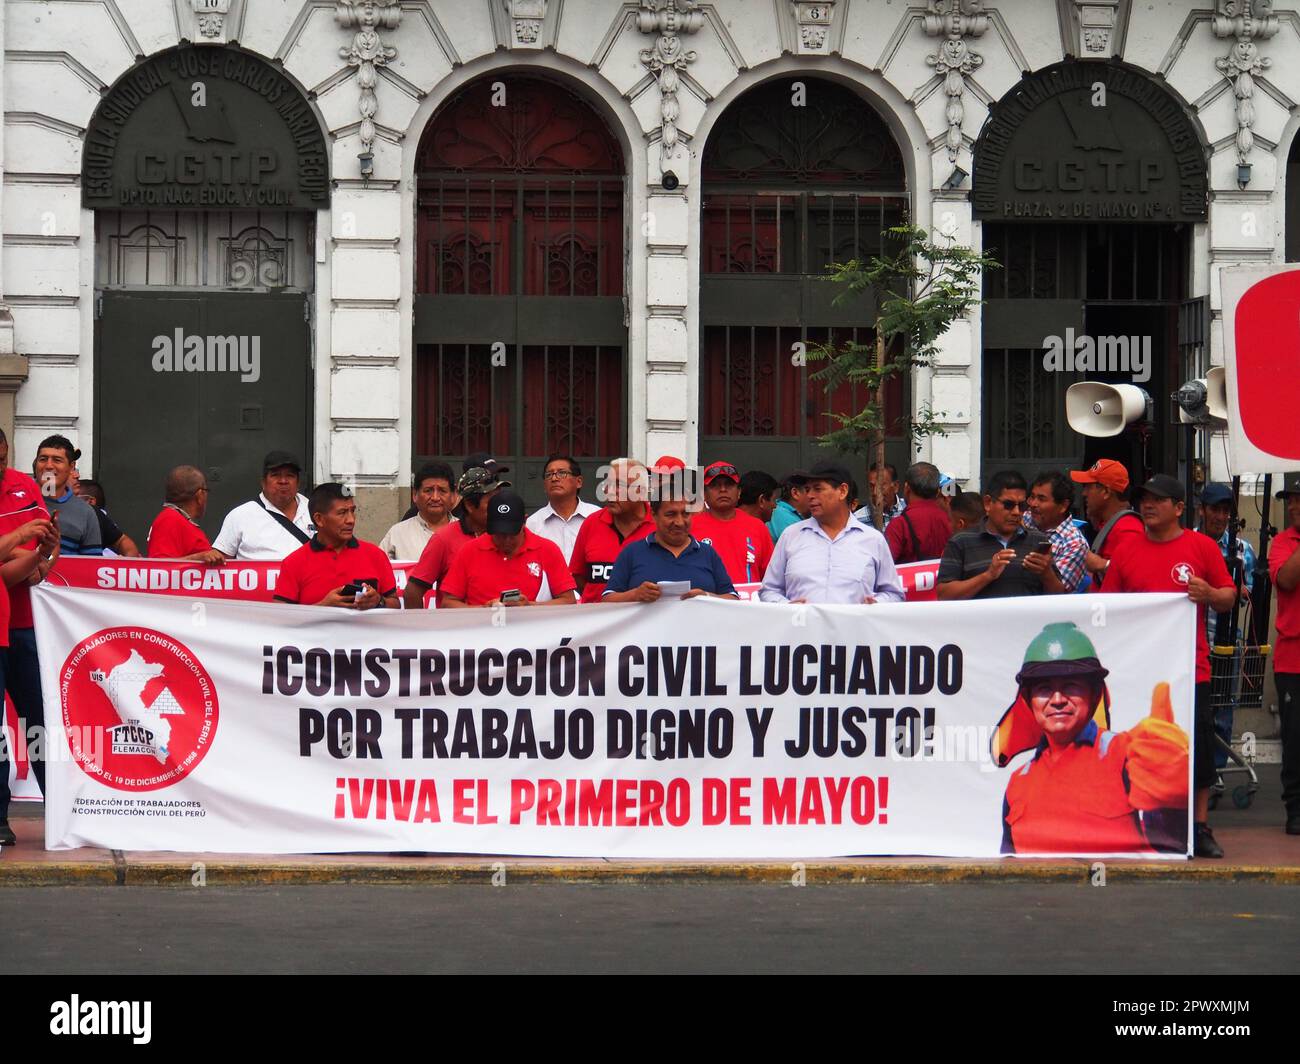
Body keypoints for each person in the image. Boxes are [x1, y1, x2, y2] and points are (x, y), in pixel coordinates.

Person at [1104, 474, 1237, 859]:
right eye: (1144, 499)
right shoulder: (1127, 550)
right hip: (1139, 673)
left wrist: (1210, 594)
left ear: (1179, 508)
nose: (1148, 505)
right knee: (1138, 748)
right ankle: (1137, 823)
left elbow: (1228, 596)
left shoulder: (1202, 547)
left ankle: (1200, 826)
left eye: (1158, 500)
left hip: (1189, 670)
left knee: (1194, 748)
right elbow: (1109, 607)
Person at [993, 623, 1189, 855]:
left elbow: (1169, 842)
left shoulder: (1128, 755)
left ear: (1095, 695)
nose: (1057, 699)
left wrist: (1172, 799)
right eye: (1044, 688)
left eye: (1071, 686)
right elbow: (1008, 867)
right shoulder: (1017, 783)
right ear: (1029, 701)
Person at [0, 433, 58, 846]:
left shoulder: (25, 485)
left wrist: (43, 558)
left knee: (39, 718)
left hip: (23, 623)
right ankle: (1, 817)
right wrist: (21, 543)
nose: (0, 467)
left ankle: (61, 806)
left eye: (3, 458)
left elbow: (40, 565)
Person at [759, 462, 905, 605]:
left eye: (818, 489)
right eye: (808, 489)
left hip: (853, 628)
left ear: (842, 491)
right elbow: (769, 590)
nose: (810, 495)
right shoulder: (790, 536)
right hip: (802, 627)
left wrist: (875, 604)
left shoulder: (873, 540)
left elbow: (893, 594)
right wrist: (787, 607)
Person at [937, 471, 1064, 600]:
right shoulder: (961, 542)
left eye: (1021, 506)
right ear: (987, 503)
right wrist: (988, 576)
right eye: (1008, 505)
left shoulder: (1038, 541)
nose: (1016, 512)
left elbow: (1060, 598)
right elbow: (944, 595)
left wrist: (1047, 573)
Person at [440, 490, 576, 608]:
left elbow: (569, 601)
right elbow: (448, 603)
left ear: (524, 521)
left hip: (533, 634)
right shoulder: (469, 551)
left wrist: (530, 607)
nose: (506, 540)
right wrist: (484, 610)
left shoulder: (547, 550)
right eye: (499, 534)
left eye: (512, 533)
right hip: (482, 633)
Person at [403, 459, 510, 609]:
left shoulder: (507, 534)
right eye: (492, 502)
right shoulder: (444, 539)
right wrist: (420, 629)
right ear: (470, 506)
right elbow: (412, 593)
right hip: (459, 629)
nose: (500, 507)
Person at [274, 483, 397, 609]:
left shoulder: (375, 555)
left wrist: (379, 601)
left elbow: (395, 605)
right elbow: (281, 618)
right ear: (319, 519)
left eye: (352, 511)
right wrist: (323, 607)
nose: (351, 520)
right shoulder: (294, 563)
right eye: (342, 513)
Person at [603, 496, 738, 602]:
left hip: (700, 636)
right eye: (670, 514)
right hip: (647, 637)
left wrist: (706, 597)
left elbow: (733, 599)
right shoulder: (632, 552)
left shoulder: (707, 553)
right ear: (654, 515)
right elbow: (607, 600)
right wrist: (635, 595)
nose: (679, 522)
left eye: (685, 514)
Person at [569, 458, 655, 603]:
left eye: (618, 485)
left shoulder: (659, 527)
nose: (609, 491)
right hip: (597, 620)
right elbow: (577, 576)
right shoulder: (592, 523)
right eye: (607, 485)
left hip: (643, 622)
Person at [1268, 473, 1300, 835]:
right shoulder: (1283, 543)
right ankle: (1296, 807)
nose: (1292, 506)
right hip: (1293, 658)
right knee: (1295, 738)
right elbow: (1288, 580)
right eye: (1289, 499)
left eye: (1297, 499)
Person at [212, 451, 313, 561]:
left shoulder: (316, 511)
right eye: (275, 475)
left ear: (298, 483)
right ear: (263, 482)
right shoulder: (240, 515)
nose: (283, 481)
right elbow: (220, 560)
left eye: (290, 475)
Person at [690, 460, 773, 586]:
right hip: (706, 603)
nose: (723, 489)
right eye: (715, 485)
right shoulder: (690, 527)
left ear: (739, 492)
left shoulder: (758, 527)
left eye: (729, 484)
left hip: (748, 604)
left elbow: (771, 577)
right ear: (704, 494)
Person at [1071, 459, 1143, 591]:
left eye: (1088, 487)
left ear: (1106, 492)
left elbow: (1139, 577)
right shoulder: (1113, 525)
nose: (1084, 493)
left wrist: (1102, 565)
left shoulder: (1128, 529)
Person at [33, 435, 101, 556]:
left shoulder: (86, 513)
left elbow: (90, 565)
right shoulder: (18, 499)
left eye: (57, 460)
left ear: (71, 467)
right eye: (43, 459)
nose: (49, 465)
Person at [524, 455, 600, 564]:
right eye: (549, 475)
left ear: (579, 482)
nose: (554, 478)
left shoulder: (596, 517)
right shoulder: (533, 524)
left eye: (562, 473)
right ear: (544, 486)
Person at [1024, 471, 1089, 593]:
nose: (1033, 504)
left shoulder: (1074, 543)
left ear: (1063, 506)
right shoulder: (1025, 518)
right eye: (1032, 497)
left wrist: (1046, 571)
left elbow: (1060, 595)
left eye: (1041, 499)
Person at [146, 466, 224, 563]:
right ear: (200, 495)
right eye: (206, 491)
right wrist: (200, 557)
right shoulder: (170, 520)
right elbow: (160, 568)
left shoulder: (176, 519)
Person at [380, 462, 456, 560]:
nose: (435, 498)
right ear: (415, 495)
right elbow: (377, 569)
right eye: (428, 490)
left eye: (442, 491)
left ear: (453, 496)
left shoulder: (466, 533)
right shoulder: (397, 534)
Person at [886, 462, 952, 564]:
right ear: (938, 492)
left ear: (907, 488)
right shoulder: (952, 521)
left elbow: (885, 567)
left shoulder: (899, 526)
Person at [74, 478, 140, 557]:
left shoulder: (95, 516)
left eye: (76, 496)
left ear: (91, 502)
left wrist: (125, 565)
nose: (71, 500)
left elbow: (125, 545)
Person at [854, 462, 905, 529]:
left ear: (895, 486)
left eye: (880, 486)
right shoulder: (858, 521)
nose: (875, 492)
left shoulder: (908, 510)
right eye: (871, 486)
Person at [768, 476, 810, 543]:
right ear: (795, 493)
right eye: (808, 490)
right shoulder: (784, 517)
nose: (813, 495)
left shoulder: (780, 510)